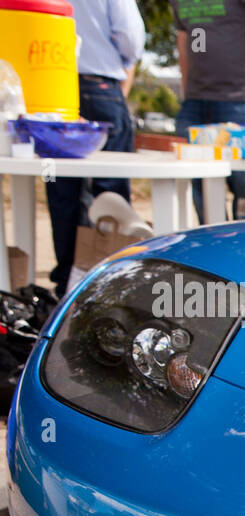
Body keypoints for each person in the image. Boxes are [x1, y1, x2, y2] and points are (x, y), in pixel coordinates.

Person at [45, 0, 145, 296]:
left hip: (55, 88)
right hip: (100, 86)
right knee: (110, 192)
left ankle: (67, 287)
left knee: (62, 192)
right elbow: (130, 36)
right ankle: (110, 287)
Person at [171, 0, 245, 221]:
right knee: (201, 186)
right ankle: (213, 242)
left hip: (240, 101)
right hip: (195, 102)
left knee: (243, 185)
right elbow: (189, 40)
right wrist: (188, 91)